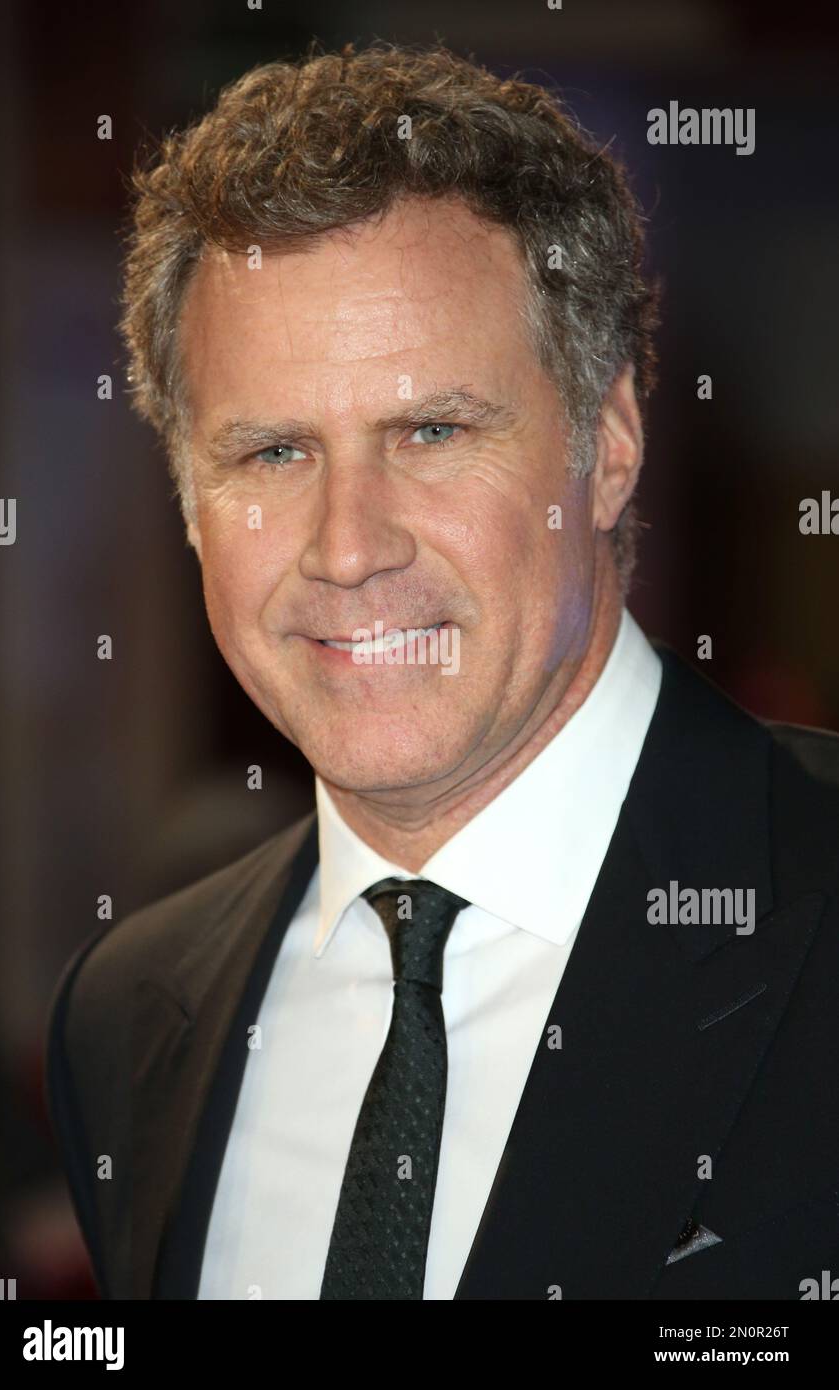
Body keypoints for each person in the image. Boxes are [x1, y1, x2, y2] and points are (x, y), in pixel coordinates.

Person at [46, 41, 839, 1301]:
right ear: (187, 498)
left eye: (429, 430)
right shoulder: (131, 1014)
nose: (349, 547)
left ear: (611, 442)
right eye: (268, 453)